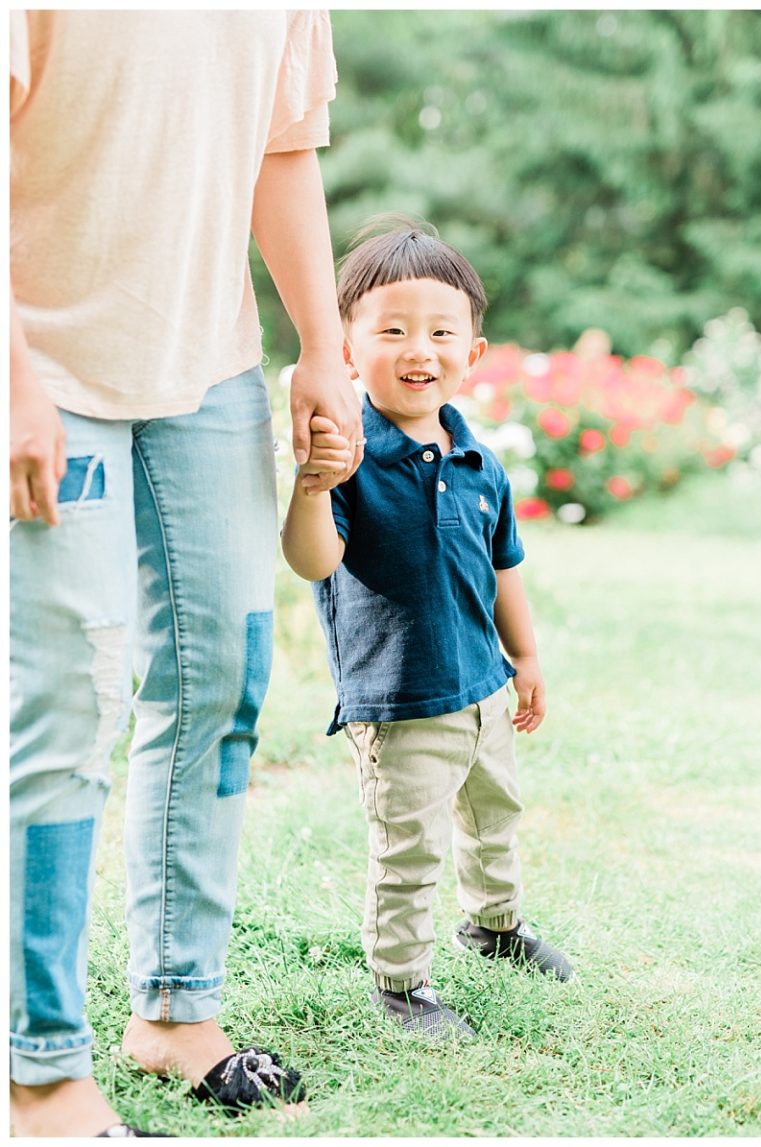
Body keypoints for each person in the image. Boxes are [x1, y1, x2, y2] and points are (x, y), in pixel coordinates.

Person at [9, 11, 363, 1137]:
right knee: (70, 703)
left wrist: (322, 343)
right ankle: (43, 1067)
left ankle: (175, 1011)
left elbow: (281, 149)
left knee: (222, 680)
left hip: (208, 368)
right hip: (40, 366)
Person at [281, 224, 572, 1040]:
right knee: (409, 846)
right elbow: (313, 560)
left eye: (442, 331)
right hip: (401, 696)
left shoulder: (481, 460)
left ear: (473, 352)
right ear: (346, 349)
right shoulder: (348, 454)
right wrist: (312, 485)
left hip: (482, 686)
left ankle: (494, 924)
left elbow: (503, 564)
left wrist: (525, 656)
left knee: (494, 814)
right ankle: (400, 984)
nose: (421, 348)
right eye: (394, 329)